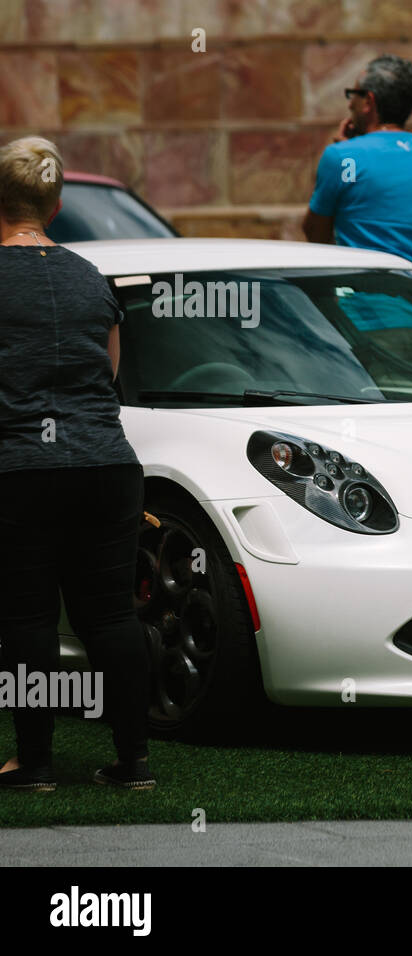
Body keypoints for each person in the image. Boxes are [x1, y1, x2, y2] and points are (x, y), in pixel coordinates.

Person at [0, 137, 155, 792]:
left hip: (20, 469)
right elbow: (111, 376)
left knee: (28, 619)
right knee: (112, 616)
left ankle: (33, 762)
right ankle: (132, 760)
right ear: (58, 204)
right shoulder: (90, 277)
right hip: (105, 465)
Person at [302, 54, 412, 303]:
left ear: (368, 102)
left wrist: (345, 156)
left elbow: (315, 235)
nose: (349, 105)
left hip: (364, 319)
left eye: (354, 94)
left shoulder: (342, 158)